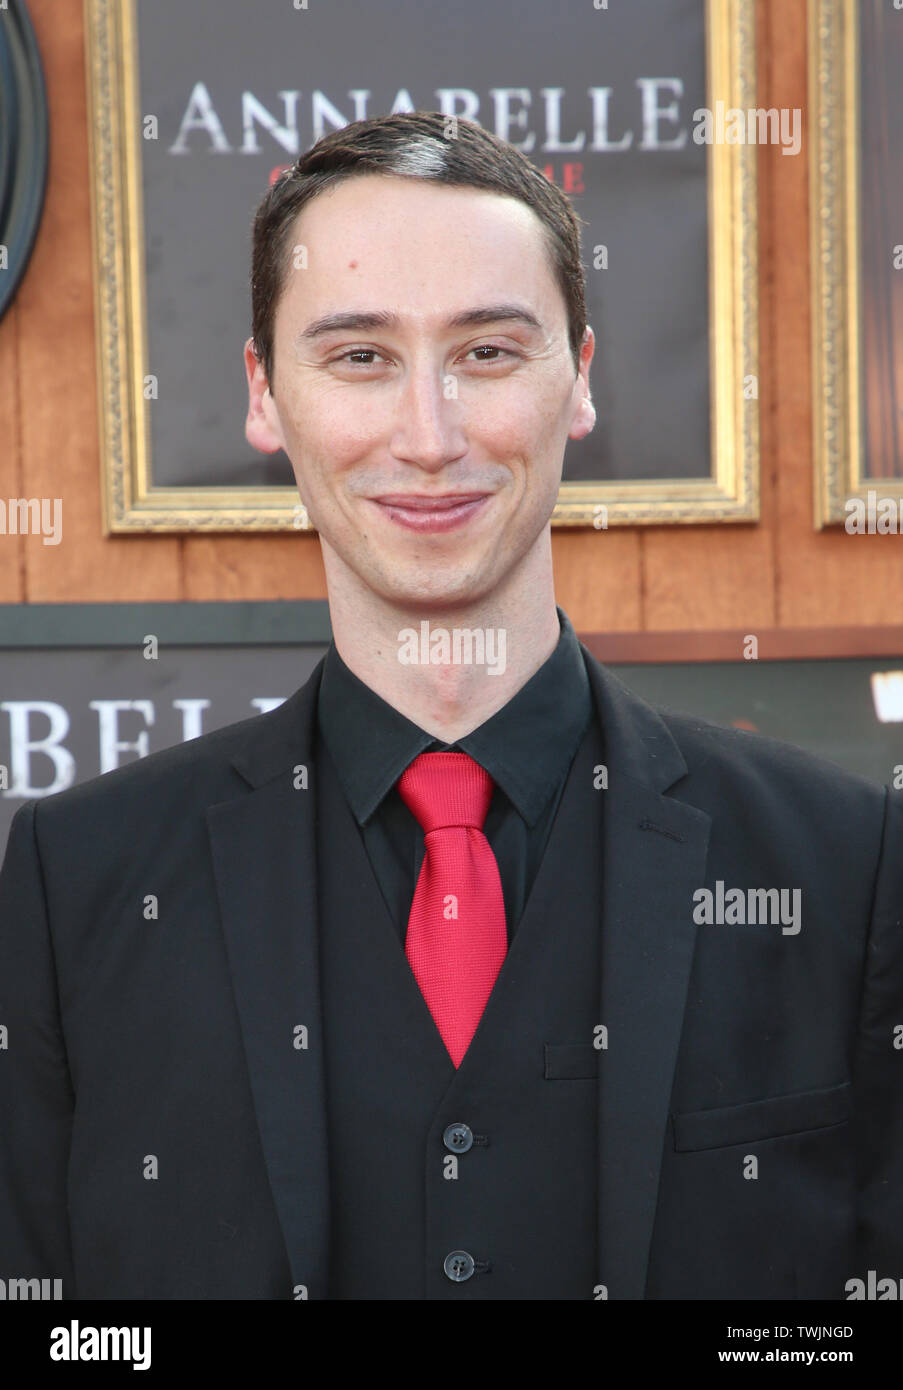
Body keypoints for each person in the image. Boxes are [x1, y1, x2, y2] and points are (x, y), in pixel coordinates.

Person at [1, 112, 901, 1301]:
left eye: (486, 352)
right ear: (266, 396)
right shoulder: (81, 883)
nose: (428, 438)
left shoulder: (845, 864)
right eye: (360, 356)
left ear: (578, 381)